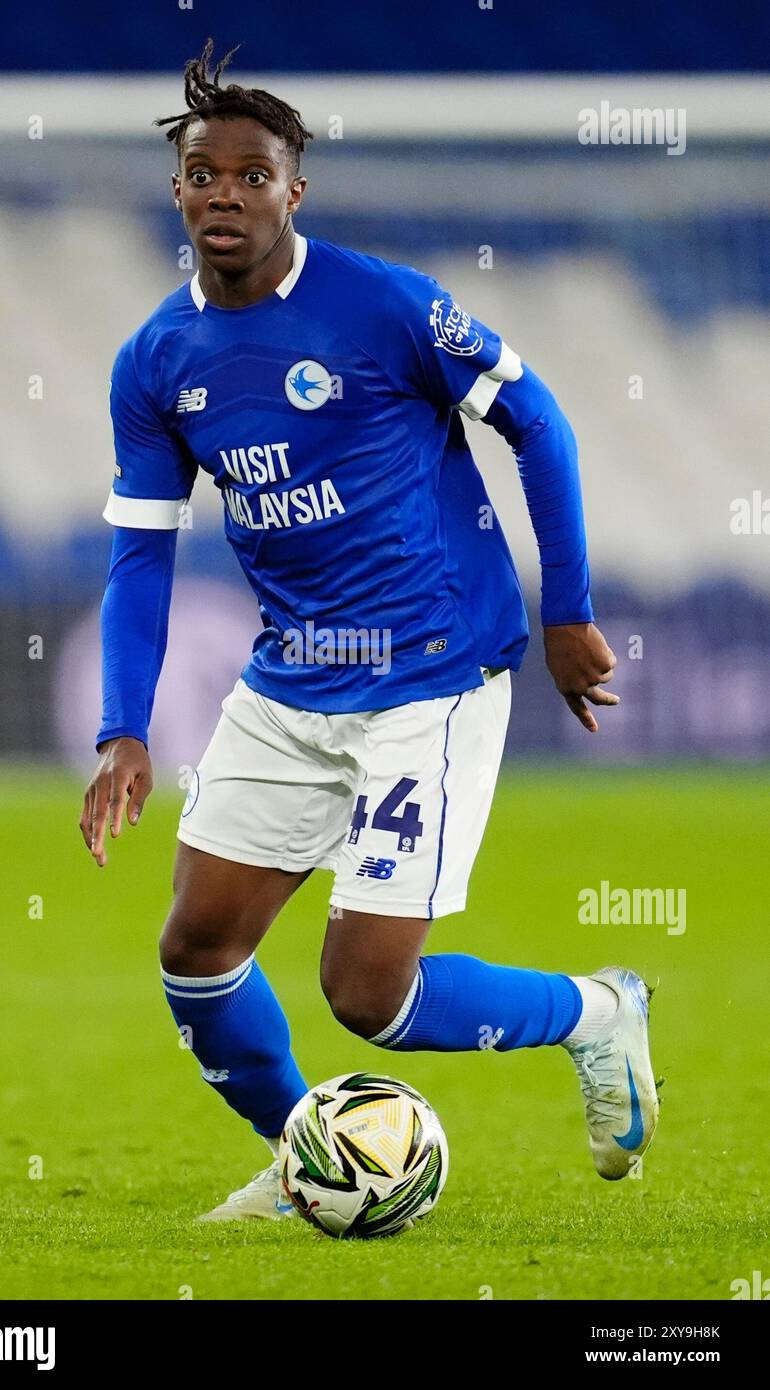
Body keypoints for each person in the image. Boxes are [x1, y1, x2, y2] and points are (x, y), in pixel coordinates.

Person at [81, 39, 659, 1220]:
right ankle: (307, 1159)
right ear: (177, 190)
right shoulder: (157, 359)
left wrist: (567, 610)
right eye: (204, 174)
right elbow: (141, 549)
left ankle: (600, 1011)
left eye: (253, 175)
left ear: (295, 190)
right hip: (290, 682)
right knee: (195, 949)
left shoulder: (383, 306)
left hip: (429, 679)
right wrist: (122, 729)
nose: (225, 194)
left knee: (368, 995)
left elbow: (535, 420)